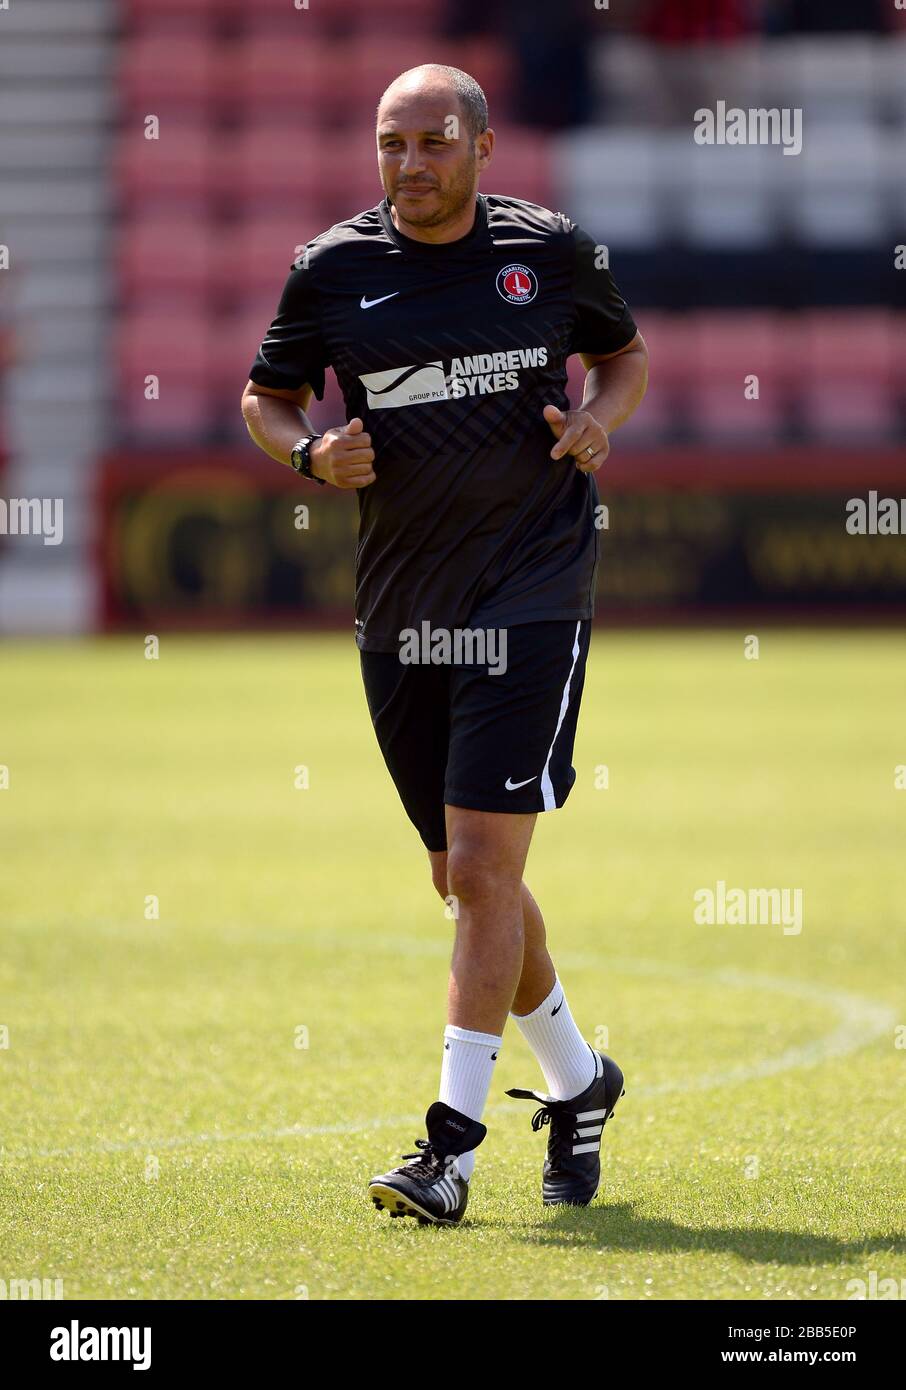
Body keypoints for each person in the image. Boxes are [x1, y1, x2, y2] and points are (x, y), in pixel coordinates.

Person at [241, 64, 648, 1226]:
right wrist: (307, 453)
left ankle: (449, 1149)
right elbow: (263, 397)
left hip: (533, 588)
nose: (408, 164)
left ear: (481, 147)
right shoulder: (333, 269)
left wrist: (598, 422)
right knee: (464, 880)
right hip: (402, 610)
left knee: (480, 870)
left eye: (430, 142)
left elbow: (624, 359)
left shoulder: (555, 254)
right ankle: (580, 1082)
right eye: (389, 144)